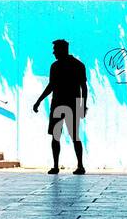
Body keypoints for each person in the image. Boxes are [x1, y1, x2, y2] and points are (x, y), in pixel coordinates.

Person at [33, 39, 88, 174]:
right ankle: (71, 166)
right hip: (65, 105)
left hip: (62, 105)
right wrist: (39, 100)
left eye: (55, 49)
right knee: (68, 136)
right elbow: (52, 85)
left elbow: (83, 86)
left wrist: (83, 105)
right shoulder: (72, 65)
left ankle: (69, 166)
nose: (53, 52)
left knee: (63, 136)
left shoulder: (69, 66)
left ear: (62, 49)